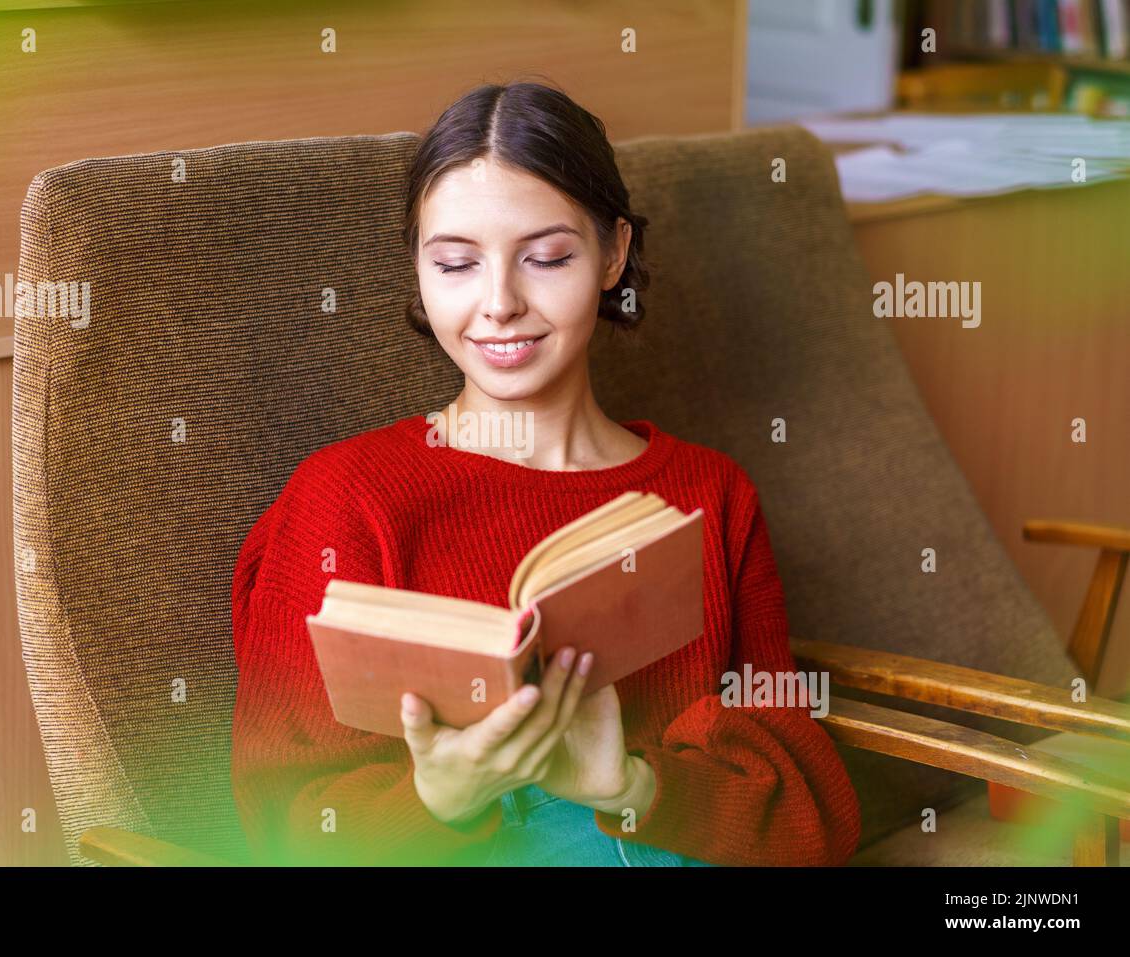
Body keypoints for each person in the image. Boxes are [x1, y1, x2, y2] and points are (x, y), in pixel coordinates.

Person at [231, 80, 862, 867]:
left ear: (613, 253)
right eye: (456, 263)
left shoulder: (710, 495)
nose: (499, 304)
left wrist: (632, 787)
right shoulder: (345, 498)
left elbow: (806, 814)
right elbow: (278, 828)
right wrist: (440, 805)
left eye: (547, 257)